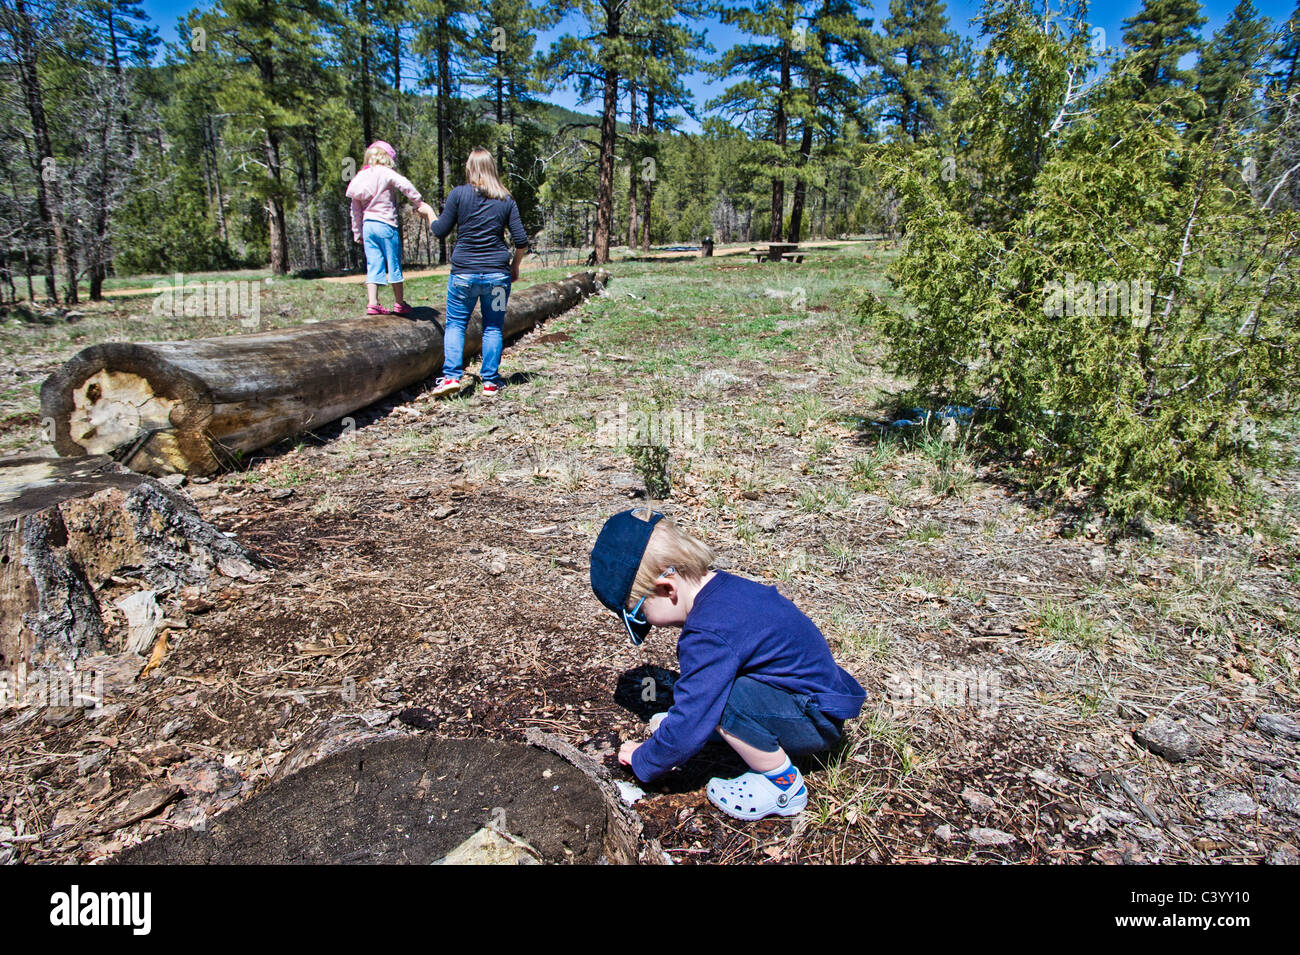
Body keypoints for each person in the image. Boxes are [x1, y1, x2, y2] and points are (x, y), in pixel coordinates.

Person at [589, 508, 867, 820]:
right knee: (714, 693)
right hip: (814, 700)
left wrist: (645, 760)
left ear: (667, 589)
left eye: (639, 614)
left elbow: (693, 718)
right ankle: (746, 731)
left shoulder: (707, 633)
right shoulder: (725, 590)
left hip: (812, 720)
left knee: (718, 702)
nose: (646, 624)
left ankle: (782, 785)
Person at [428, 148, 529, 398]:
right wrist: (515, 266)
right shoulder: (506, 199)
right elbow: (521, 240)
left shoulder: (458, 195)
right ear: (492, 168)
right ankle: (491, 382)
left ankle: (451, 377)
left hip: (464, 275)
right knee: (493, 327)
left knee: (455, 324)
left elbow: (440, 230)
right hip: (496, 276)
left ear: (470, 168)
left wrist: (428, 214)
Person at [346, 141, 435, 316]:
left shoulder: (359, 178)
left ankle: (372, 303)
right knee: (393, 262)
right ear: (387, 158)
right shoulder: (386, 173)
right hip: (386, 224)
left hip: (368, 225)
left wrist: (357, 231)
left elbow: (354, 209)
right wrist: (418, 201)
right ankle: (399, 302)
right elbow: (406, 185)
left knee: (373, 264)